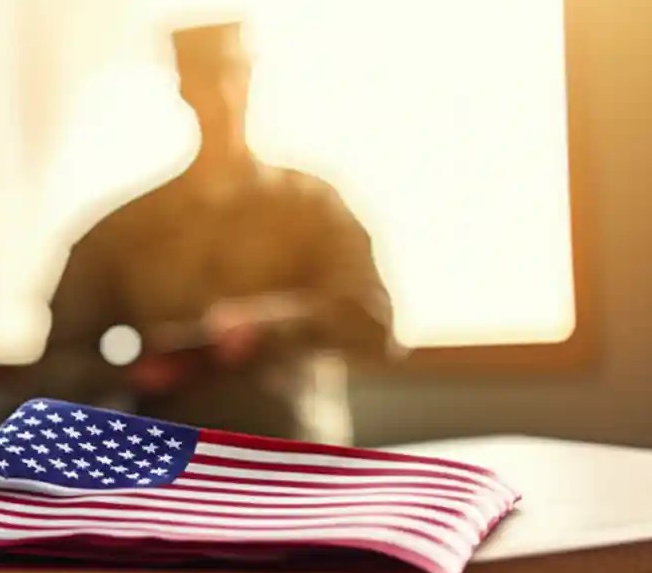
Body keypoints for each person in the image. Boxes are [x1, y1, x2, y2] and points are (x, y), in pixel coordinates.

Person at [34, 22, 397, 442]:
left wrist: (267, 320)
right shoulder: (122, 230)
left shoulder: (312, 205)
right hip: (173, 462)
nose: (222, 95)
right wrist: (132, 373)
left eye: (232, 72)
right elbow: (58, 364)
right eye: (206, 78)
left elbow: (373, 320)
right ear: (184, 88)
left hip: (296, 457)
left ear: (250, 77)